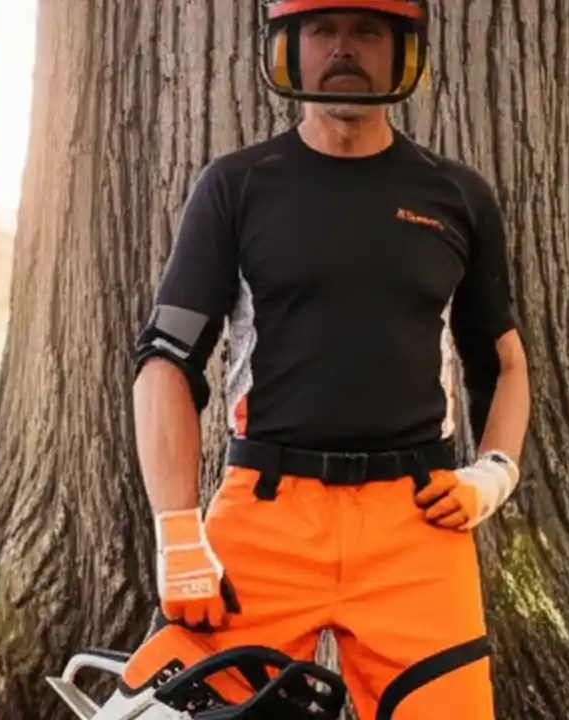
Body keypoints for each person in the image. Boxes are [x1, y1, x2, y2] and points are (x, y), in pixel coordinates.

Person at [120, 1, 531, 717]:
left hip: (417, 523)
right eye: (322, 30)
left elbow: (503, 363)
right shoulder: (237, 185)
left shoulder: (457, 194)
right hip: (265, 515)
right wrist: (178, 533)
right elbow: (167, 358)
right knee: (164, 713)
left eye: (367, 30)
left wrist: (493, 474)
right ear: (289, 45)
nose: (344, 48)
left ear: (404, 48)